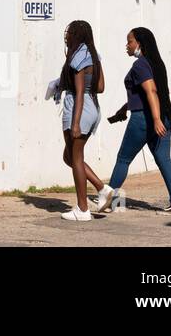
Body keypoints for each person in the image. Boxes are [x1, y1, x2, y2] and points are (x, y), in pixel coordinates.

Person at [95, 27, 171, 214]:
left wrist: (155, 119)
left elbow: (151, 90)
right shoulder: (156, 63)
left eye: (129, 42)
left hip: (145, 119)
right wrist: (126, 107)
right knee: (164, 159)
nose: (127, 46)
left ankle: (109, 203)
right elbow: (150, 93)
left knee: (123, 159)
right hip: (163, 116)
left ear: (139, 44)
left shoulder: (140, 65)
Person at [58, 20, 106, 221]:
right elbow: (101, 87)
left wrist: (76, 123)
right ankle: (103, 190)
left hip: (78, 108)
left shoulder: (78, 56)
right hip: (92, 106)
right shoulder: (92, 55)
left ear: (75, 34)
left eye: (69, 32)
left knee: (75, 158)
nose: (66, 35)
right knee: (69, 157)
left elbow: (78, 92)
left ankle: (83, 209)